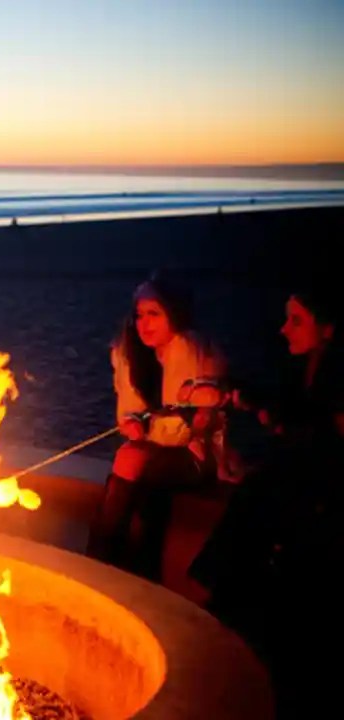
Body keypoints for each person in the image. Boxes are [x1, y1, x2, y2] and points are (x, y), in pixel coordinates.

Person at [188, 284, 342, 718]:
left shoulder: (336, 373)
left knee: (256, 502)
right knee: (254, 496)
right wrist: (245, 398)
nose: (283, 328)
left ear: (327, 328)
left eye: (296, 320)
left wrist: (276, 421)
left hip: (324, 502)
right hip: (301, 489)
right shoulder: (306, 369)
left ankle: (226, 620)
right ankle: (223, 611)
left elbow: (320, 440)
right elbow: (290, 414)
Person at [85, 271, 227, 581]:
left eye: (154, 314)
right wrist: (133, 423)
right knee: (136, 466)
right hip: (155, 455)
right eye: (139, 315)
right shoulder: (132, 354)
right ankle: (123, 568)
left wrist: (144, 437)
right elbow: (130, 412)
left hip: (196, 456)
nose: (144, 324)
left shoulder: (192, 351)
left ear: (175, 314)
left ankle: (97, 565)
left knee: (131, 458)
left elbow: (187, 430)